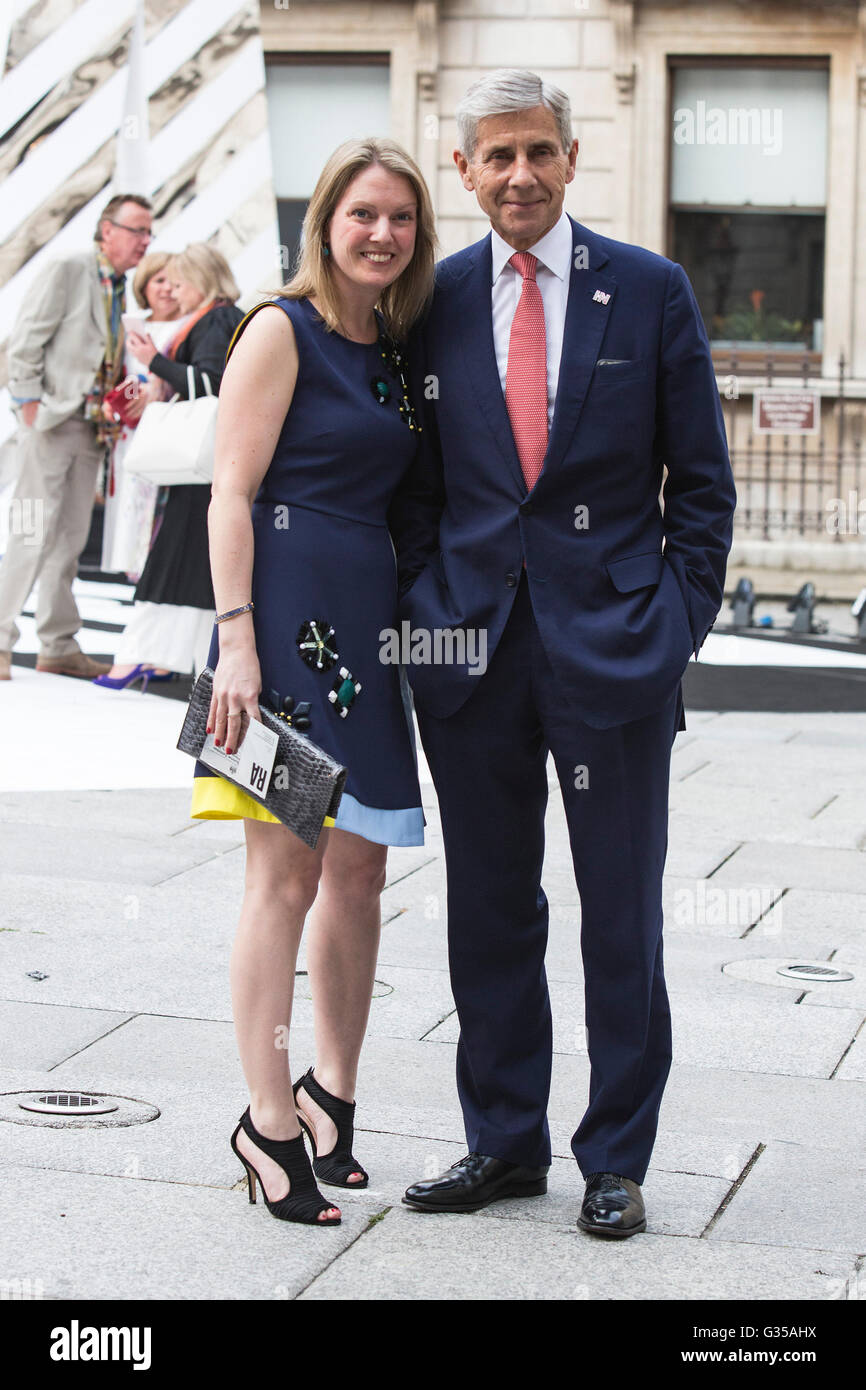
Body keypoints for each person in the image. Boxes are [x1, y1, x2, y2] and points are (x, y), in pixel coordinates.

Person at [391, 69, 737, 1237]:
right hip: (472, 656)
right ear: (466, 172)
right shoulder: (427, 302)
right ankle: (501, 1141)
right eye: (496, 156)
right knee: (488, 906)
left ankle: (615, 1158)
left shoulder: (646, 290)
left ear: (571, 158)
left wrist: (672, 623)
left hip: (615, 652)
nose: (519, 175)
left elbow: (701, 484)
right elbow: (413, 491)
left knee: (620, 914)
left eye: (537, 151)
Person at [198, 138, 435, 1225]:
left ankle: (331, 1094)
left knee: (359, 876)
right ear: (326, 223)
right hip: (281, 647)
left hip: (366, 643)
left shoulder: (389, 349)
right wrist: (236, 642)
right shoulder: (275, 328)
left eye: (400, 218)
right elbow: (228, 492)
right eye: (362, 215)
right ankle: (267, 1121)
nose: (381, 233)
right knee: (282, 880)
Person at [0, 194, 153, 682]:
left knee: (69, 539)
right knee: (28, 532)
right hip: (47, 428)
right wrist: (29, 412)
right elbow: (25, 344)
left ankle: (58, 644)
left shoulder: (121, 290)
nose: (144, 242)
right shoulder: (68, 269)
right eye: (136, 231)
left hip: (91, 431)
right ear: (107, 230)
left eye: (149, 233)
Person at [96, 245, 243, 689]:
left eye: (180, 282)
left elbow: (212, 383)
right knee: (196, 563)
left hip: (200, 464)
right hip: (203, 463)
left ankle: (140, 656)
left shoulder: (216, 319)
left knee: (175, 558)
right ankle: (187, 659)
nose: (173, 291)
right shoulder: (220, 317)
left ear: (202, 279)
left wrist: (155, 362)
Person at [100, 251, 185, 581]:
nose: (166, 289)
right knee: (130, 509)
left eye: (173, 281)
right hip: (131, 434)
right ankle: (134, 574)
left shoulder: (187, 325)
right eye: (158, 280)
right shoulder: (133, 326)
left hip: (167, 433)